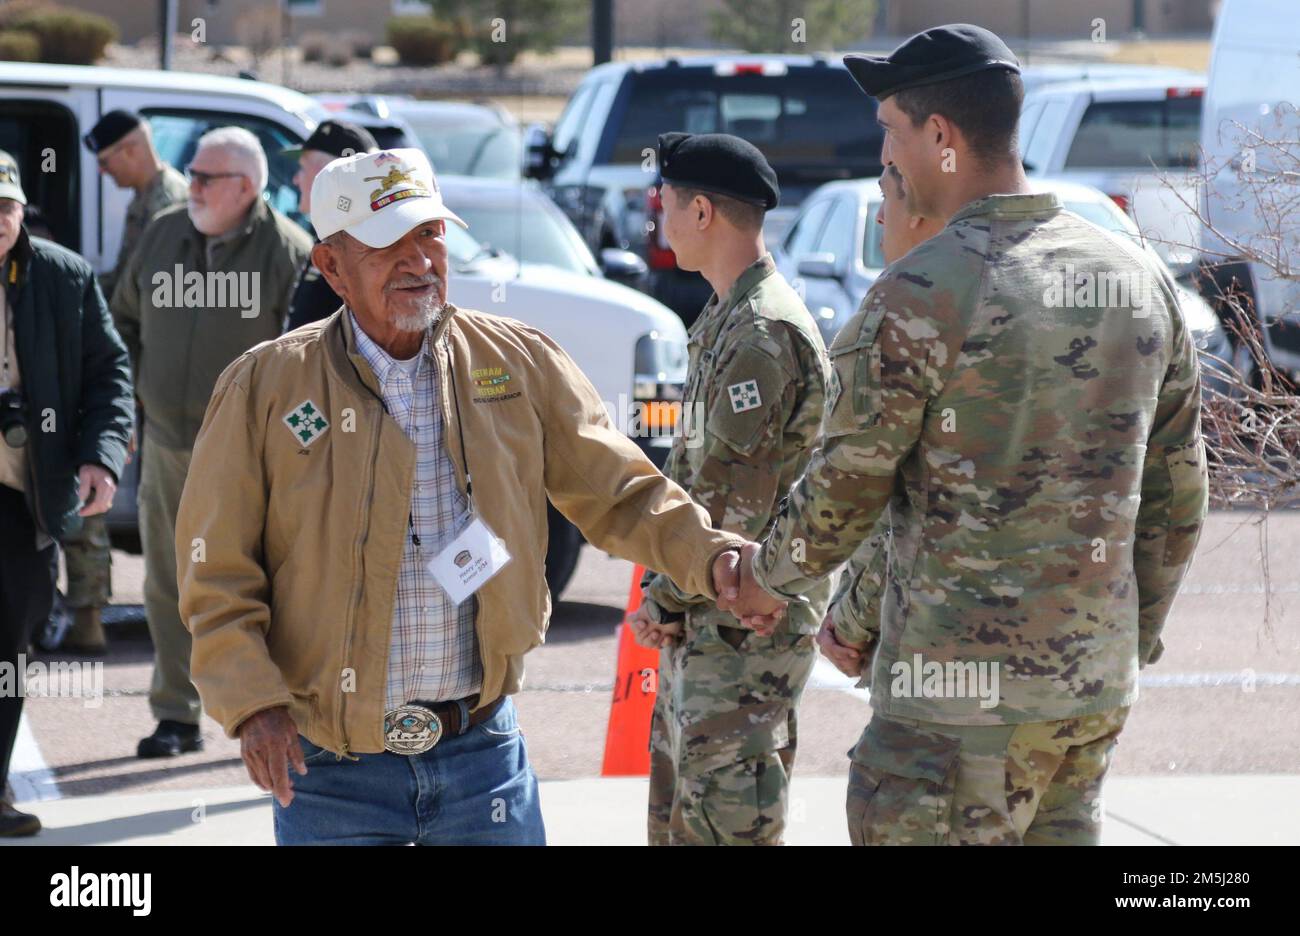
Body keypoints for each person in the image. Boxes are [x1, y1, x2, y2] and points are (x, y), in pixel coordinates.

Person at [174, 147, 755, 846]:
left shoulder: (518, 362)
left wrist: (715, 558)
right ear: (331, 267)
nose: (418, 260)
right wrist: (253, 704)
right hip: (330, 771)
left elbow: (621, 493)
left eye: (429, 234)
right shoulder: (265, 387)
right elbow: (216, 574)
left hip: (483, 761)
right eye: (387, 243)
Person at [720, 24, 1210, 846]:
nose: (887, 152)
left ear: (940, 137)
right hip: (1085, 700)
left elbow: (844, 495)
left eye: (891, 131)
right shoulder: (1137, 274)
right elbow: (1178, 499)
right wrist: (1127, 637)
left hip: (950, 719)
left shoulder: (921, 290)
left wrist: (764, 578)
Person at [626, 132, 830, 845]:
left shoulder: (762, 334)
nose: (660, 220)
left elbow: (733, 505)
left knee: (724, 823)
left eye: (667, 205)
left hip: (744, 625)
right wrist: (671, 589)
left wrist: (665, 594)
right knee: (684, 818)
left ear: (704, 212)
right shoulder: (728, 318)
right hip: (711, 613)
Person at [111, 126, 312, 759]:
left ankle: (287, 713)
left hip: (253, 458)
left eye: (205, 177)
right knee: (171, 583)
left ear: (247, 187)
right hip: (169, 446)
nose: (189, 185)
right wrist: (130, 405)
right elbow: (123, 322)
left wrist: (293, 448)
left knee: (270, 588)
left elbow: (313, 363)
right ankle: (176, 713)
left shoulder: (289, 252)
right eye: (190, 173)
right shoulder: (165, 232)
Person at [0, 151, 134, 836]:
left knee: (11, 646)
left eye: (4, 207)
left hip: (25, 495)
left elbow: (110, 375)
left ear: (22, 210)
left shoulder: (62, 276)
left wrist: (101, 459)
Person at [53, 111, 187, 655]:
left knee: (164, 507)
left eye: (108, 163)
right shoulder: (148, 198)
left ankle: (175, 629)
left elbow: (161, 303)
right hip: (134, 368)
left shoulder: (170, 203)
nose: (105, 175)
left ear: (132, 149)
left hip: (152, 375)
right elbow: (129, 283)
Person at [819, 164, 938, 680]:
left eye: (886, 201)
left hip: (934, 667)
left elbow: (859, 492)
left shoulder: (904, 312)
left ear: (916, 213)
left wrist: (849, 622)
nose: (880, 219)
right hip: (1081, 673)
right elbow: (1174, 492)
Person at [284, 119, 378, 331]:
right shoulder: (332, 232)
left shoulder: (359, 244)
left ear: (327, 176)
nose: (296, 180)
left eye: (302, 168)